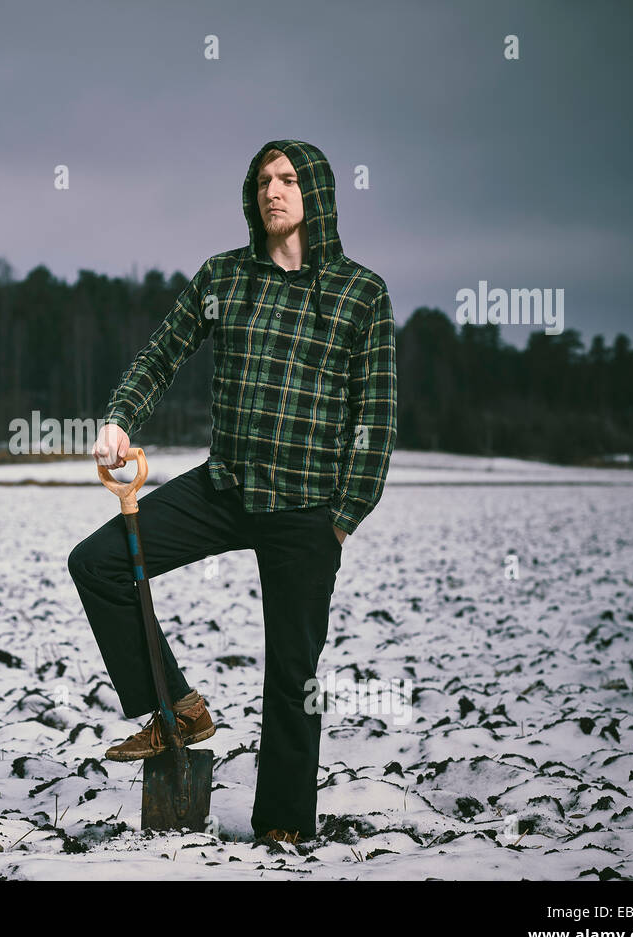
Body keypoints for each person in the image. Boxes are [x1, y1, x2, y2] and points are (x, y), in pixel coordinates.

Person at [67, 139, 397, 850]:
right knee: (97, 563)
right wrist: (120, 417)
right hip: (225, 487)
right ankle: (176, 708)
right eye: (261, 181)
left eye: (286, 180)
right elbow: (163, 352)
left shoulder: (359, 293)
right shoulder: (224, 277)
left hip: (307, 511)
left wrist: (343, 518)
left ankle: (282, 823)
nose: (271, 192)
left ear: (316, 193)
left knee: (291, 676)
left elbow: (376, 420)